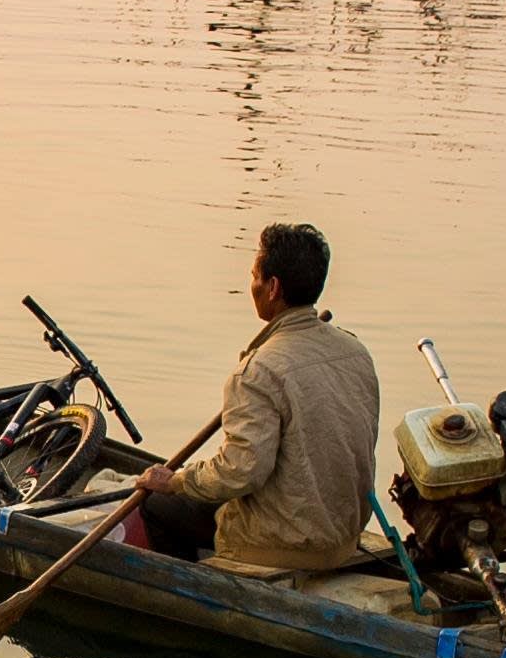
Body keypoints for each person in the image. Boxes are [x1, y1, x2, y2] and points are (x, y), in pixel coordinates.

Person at [133, 221, 382, 573]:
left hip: (288, 545)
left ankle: (192, 593)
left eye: (254, 276)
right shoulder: (356, 351)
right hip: (344, 534)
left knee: (157, 506)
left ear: (273, 287)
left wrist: (174, 481)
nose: (251, 285)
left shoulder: (257, 371)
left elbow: (239, 473)